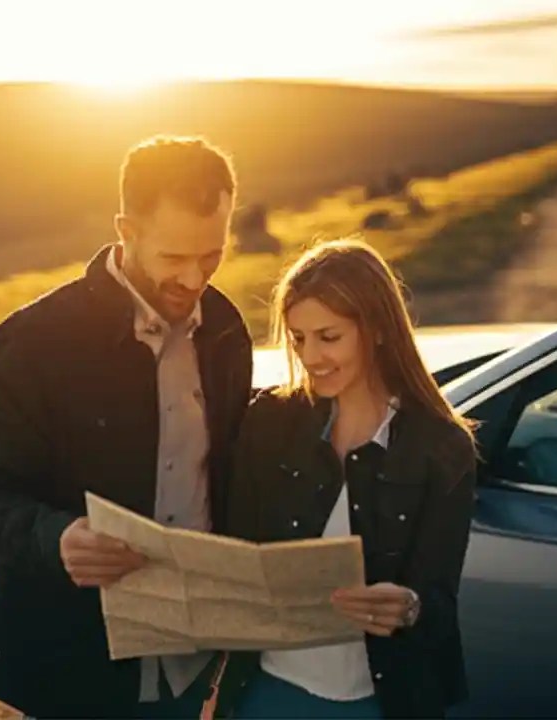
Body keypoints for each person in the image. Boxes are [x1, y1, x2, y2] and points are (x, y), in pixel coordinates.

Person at [0, 135, 254, 718]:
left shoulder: (225, 329)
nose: (194, 280)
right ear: (127, 229)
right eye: (174, 257)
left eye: (212, 255)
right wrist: (56, 538)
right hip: (78, 671)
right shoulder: (37, 341)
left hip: (192, 661)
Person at [209, 239, 478, 719]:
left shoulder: (441, 447)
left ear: (376, 329)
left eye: (328, 337)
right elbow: (234, 554)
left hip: (380, 701)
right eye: (298, 339)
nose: (311, 356)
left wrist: (409, 607)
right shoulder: (269, 422)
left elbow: (438, 598)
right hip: (266, 692)